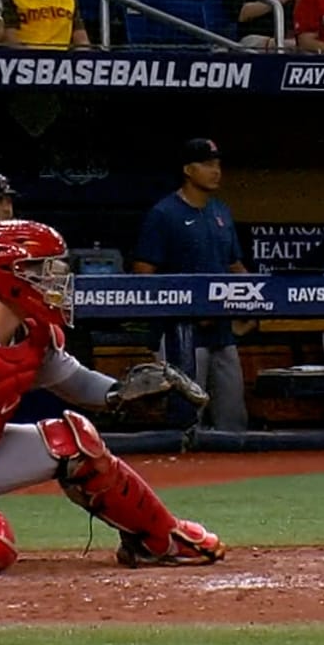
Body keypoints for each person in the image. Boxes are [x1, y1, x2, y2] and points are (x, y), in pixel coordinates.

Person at [0, 220, 224, 573]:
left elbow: (74, 382)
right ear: (7, 275)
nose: (54, 283)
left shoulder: (36, 335)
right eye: (42, 270)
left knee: (74, 441)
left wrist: (119, 393)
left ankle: (160, 538)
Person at [131, 138, 249, 433]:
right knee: (186, 420)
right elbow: (143, 274)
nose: (216, 171)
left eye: (218, 164)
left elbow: (235, 266)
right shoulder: (164, 214)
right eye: (208, 164)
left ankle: (234, 478)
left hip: (222, 332)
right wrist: (184, 309)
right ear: (187, 169)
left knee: (233, 420)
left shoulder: (221, 212)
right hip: (181, 335)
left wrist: (253, 307)